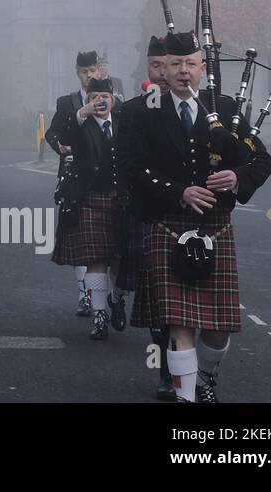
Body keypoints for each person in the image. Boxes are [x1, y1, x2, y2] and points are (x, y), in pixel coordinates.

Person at [125, 31, 271, 403]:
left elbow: (261, 161)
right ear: (163, 68)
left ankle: (206, 378)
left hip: (215, 227)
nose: (183, 71)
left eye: (190, 63)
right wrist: (179, 191)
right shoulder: (143, 111)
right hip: (168, 224)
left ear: (203, 67)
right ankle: (186, 397)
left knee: (218, 329)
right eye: (175, 64)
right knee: (179, 322)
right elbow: (132, 169)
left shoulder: (225, 109)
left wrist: (237, 176)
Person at [117, 34, 176, 398]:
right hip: (149, 215)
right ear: (149, 69)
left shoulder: (205, 110)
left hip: (194, 217)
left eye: (172, 65)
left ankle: (194, 373)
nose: (165, 73)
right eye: (157, 65)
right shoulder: (133, 111)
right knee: (160, 299)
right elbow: (125, 165)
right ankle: (168, 372)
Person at [51, 77, 125, 341]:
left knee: (122, 260)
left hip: (122, 201)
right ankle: (99, 316)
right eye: (94, 97)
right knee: (97, 260)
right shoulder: (81, 124)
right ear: (87, 100)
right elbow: (63, 136)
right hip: (90, 198)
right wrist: (82, 113)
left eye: (105, 96)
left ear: (113, 99)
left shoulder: (124, 122)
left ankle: (116, 298)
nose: (100, 101)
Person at [45, 50, 104, 317]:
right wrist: (59, 145)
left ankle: (110, 295)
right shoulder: (67, 102)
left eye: (92, 70)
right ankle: (84, 296)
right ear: (77, 73)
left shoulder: (113, 97)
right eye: (84, 71)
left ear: (99, 70)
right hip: (74, 179)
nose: (88, 76)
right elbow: (53, 133)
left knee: (107, 246)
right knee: (82, 242)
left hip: (106, 178)